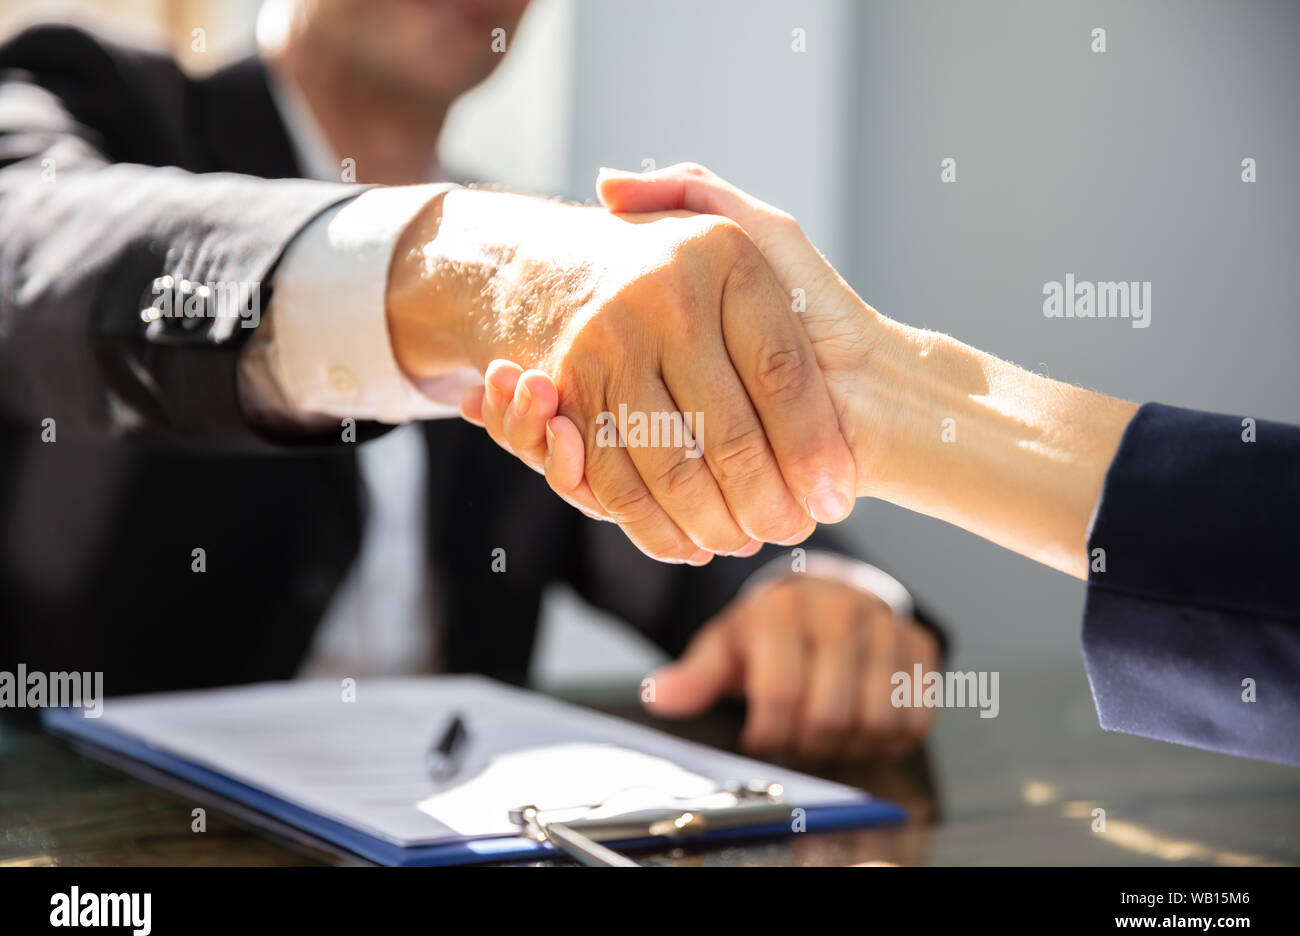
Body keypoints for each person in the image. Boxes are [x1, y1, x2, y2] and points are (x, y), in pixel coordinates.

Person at [0, 2, 946, 761]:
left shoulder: (549, 271)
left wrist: (810, 588)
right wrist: (447, 275)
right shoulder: (95, 97)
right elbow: (37, 249)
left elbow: (668, 504)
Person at [468, 162, 1300, 767]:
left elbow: (672, 500)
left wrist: (813, 561)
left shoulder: (552, 281)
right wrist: (875, 404)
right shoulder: (519, 274)